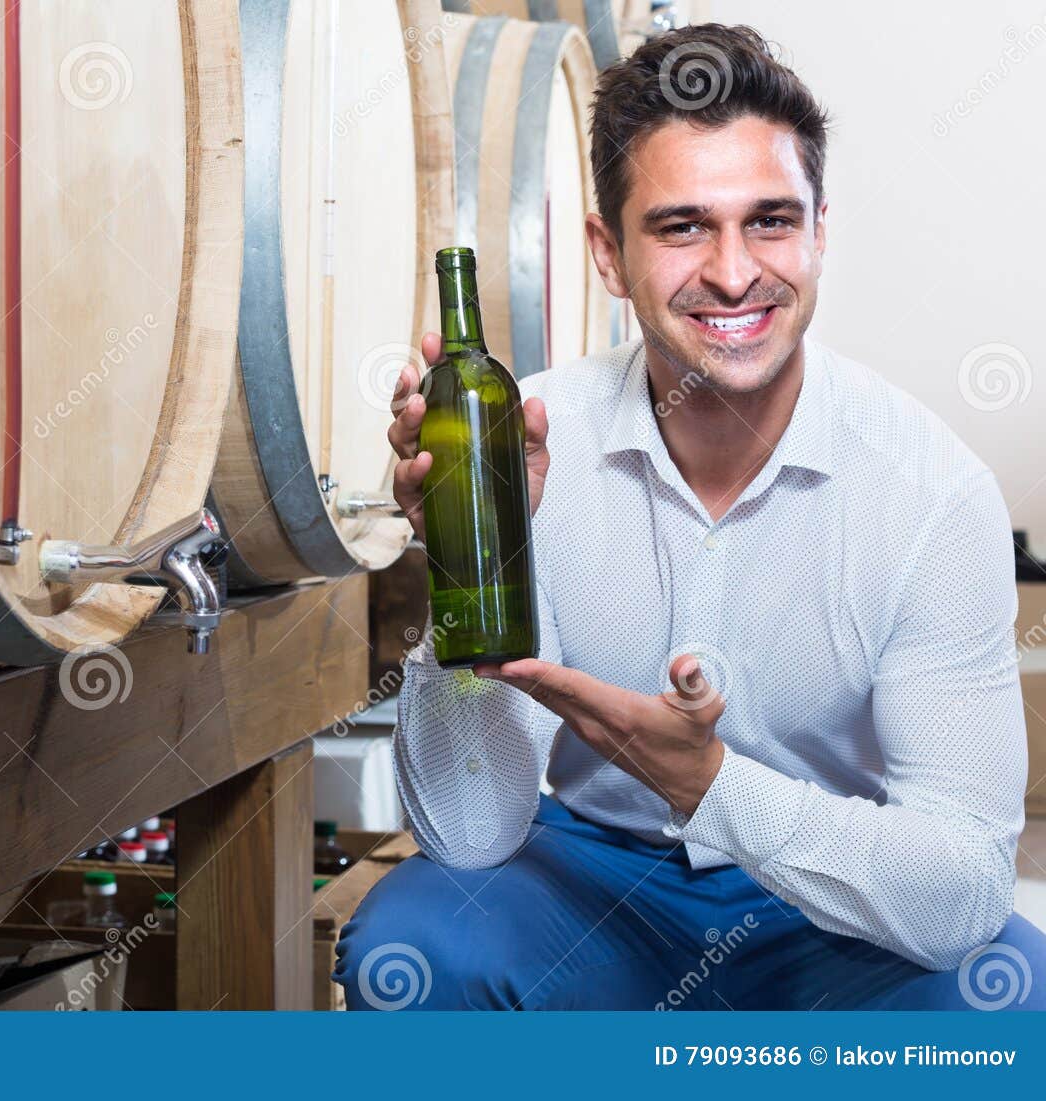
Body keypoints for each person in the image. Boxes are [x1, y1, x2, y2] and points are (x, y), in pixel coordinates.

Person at [334, 23, 1045, 1010]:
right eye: (680, 227)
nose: (732, 271)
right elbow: (470, 835)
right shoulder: (528, 438)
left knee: (1007, 995)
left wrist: (713, 785)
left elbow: (963, 889)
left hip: (828, 893)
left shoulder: (929, 493)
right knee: (414, 955)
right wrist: (462, 567)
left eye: (769, 220)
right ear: (607, 256)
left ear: (819, 231)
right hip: (592, 883)